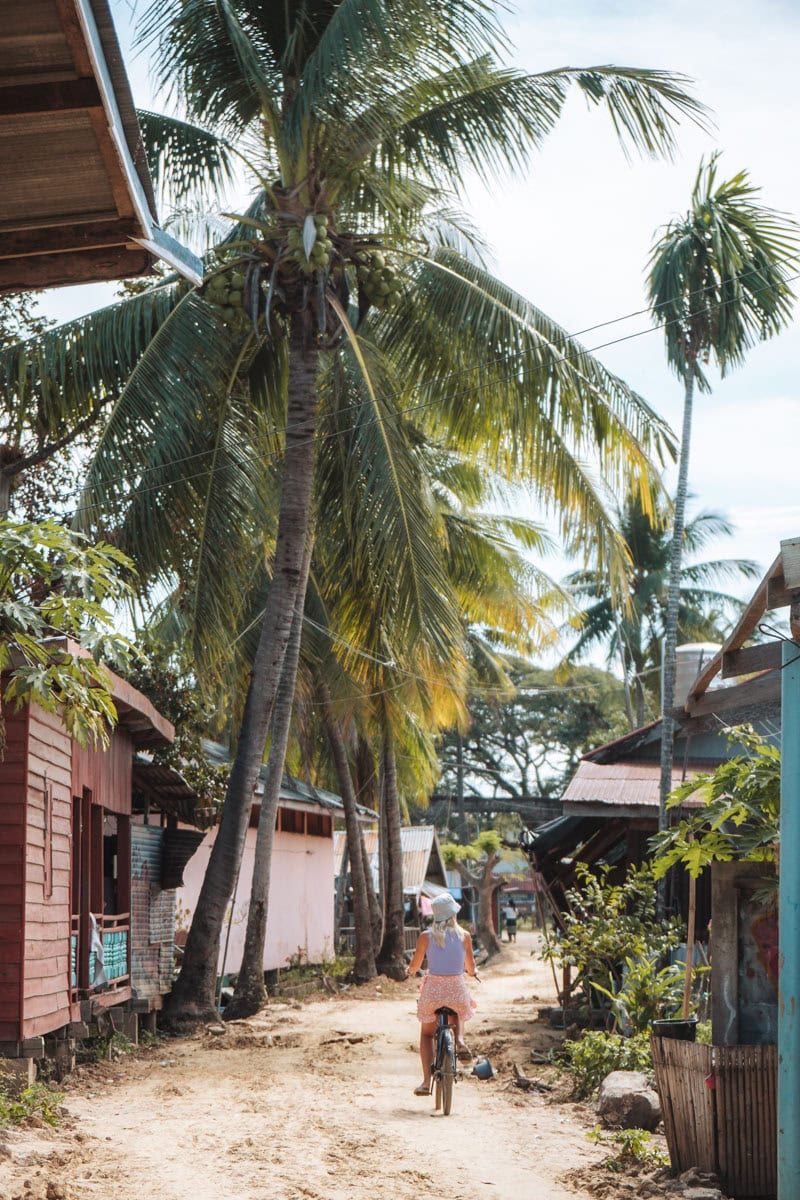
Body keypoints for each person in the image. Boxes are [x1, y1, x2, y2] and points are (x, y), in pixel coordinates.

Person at [405, 892, 477, 1096]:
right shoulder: (464, 936)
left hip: (433, 993)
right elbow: (470, 968)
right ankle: (460, 1040)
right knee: (460, 1009)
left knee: (427, 1034)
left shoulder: (425, 936)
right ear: (453, 914)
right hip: (456, 991)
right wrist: (473, 973)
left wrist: (410, 971)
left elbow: (415, 965)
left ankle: (426, 1082)